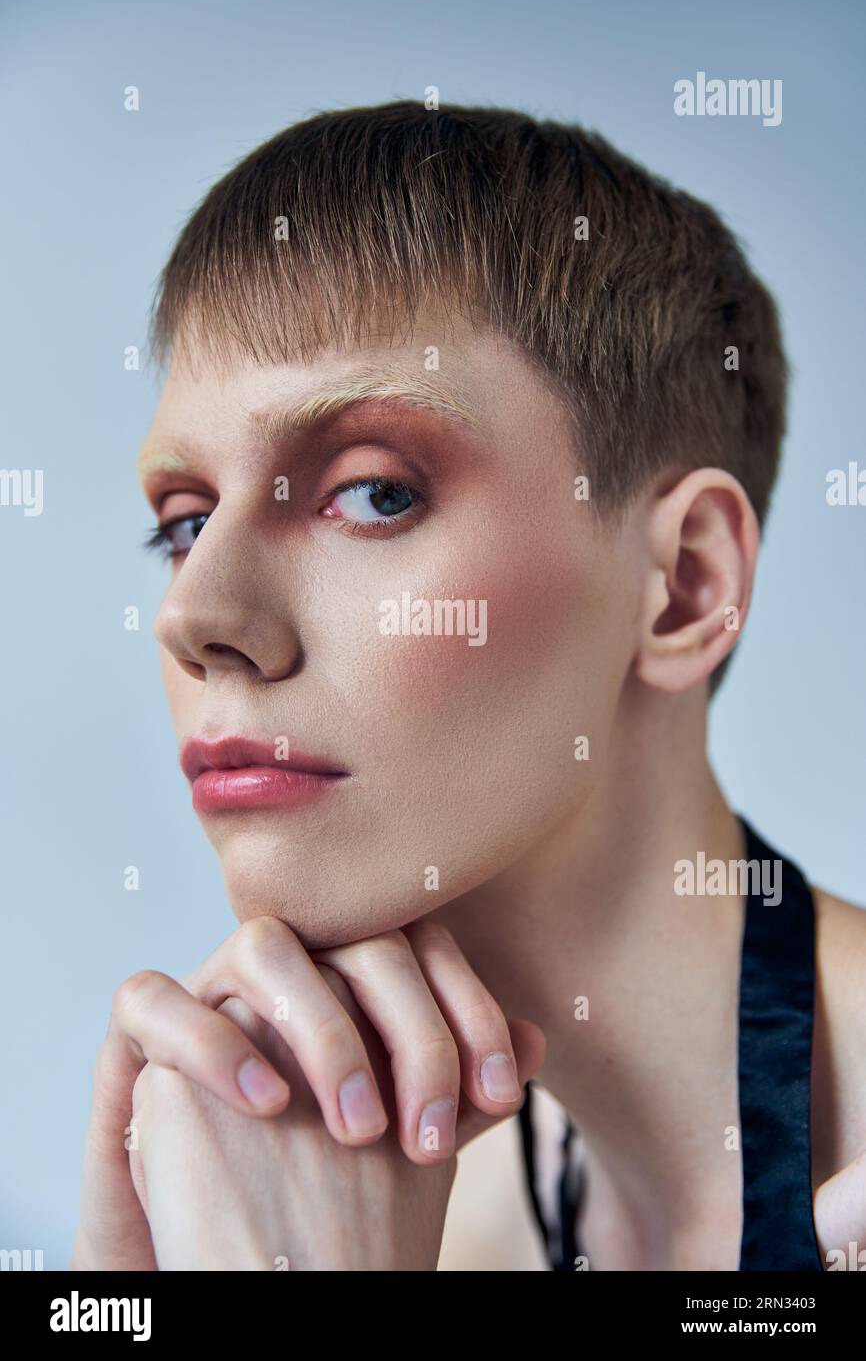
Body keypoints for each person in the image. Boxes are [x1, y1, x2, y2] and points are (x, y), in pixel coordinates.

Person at [72, 100, 866, 1271]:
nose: (196, 619)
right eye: (185, 524)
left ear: (685, 586)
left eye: (374, 492)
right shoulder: (367, 1188)